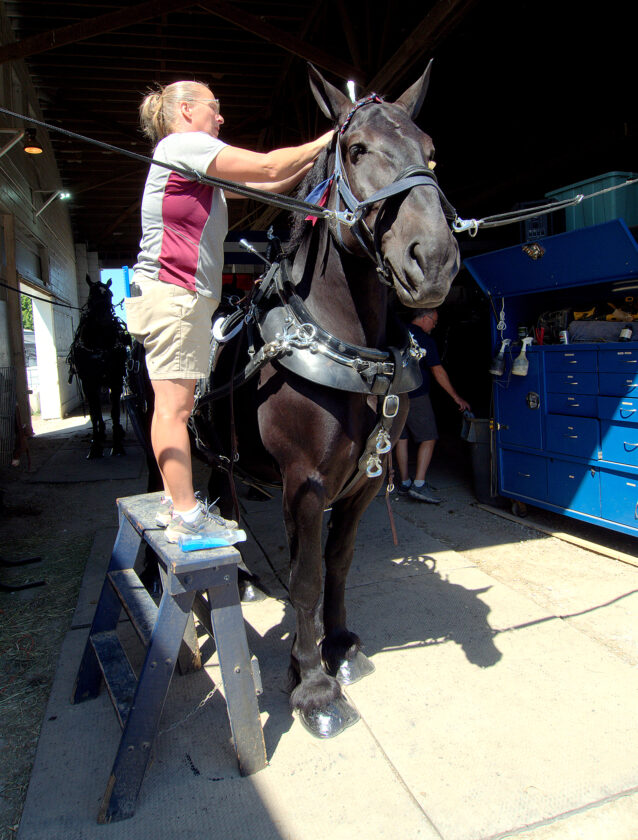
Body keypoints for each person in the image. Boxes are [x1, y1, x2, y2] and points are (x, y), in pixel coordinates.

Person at [125, 80, 333, 543]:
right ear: (185, 110)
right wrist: (331, 136)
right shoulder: (184, 145)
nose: (220, 119)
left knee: (172, 408)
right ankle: (185, 516)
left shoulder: (194, 165)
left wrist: (321, 166)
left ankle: (172, 500)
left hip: (179, 296)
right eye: (214, 109)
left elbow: (271, 183)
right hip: (175, 294)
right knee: (174, 410)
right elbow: (267, 163)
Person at [395, 308, 470, 503]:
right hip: (416, 394)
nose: (434, 326)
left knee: (400, 438)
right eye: (434, 321)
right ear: (424, 317)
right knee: (429, 437)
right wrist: (456, 397)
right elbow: (438, 371)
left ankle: (403, 483)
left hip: (393, 394)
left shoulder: (396, 331)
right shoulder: (424, 339)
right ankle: (419, 485)